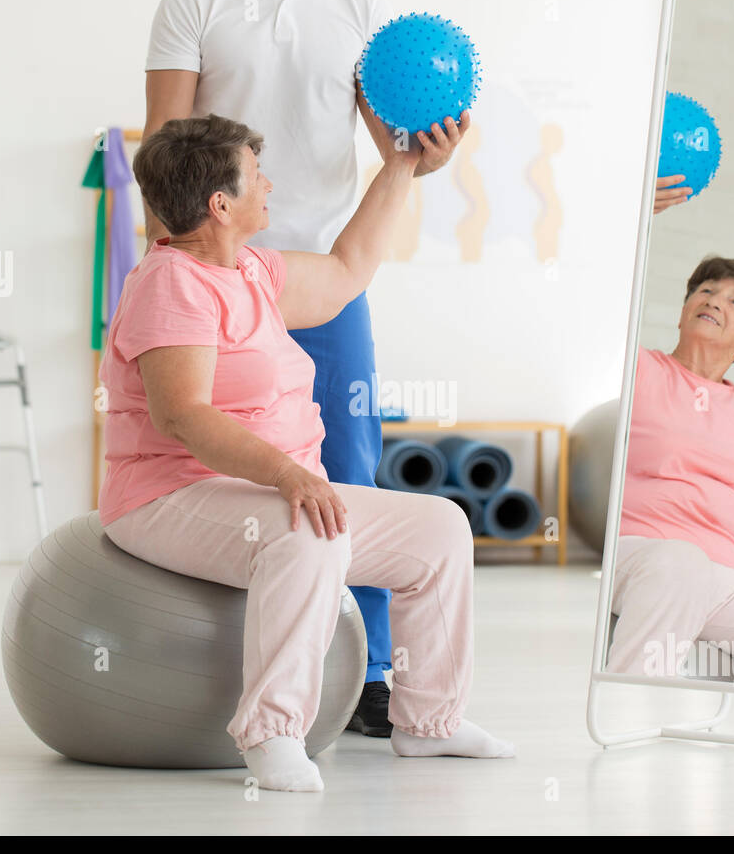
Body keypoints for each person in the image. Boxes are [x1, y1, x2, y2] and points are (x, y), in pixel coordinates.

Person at [98, 115, 512, 793]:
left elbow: (348, 269)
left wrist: (401, 166)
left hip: (267, 489)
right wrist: (289, 475)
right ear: (220, 203)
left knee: (441, 529)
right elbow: (182, 416)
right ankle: (272, 732)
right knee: (308, 531)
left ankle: (428, 723)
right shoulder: (171, 283)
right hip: (169, 496)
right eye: (255, 174)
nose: (269, 184)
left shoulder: (251, 270)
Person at [141, 0, 470, 738]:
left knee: (349, 469)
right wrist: (184, 267)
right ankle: (250, 667)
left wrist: (426, 153)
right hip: (219, 265)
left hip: (319, 270)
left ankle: (371, 672)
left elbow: (396, 142)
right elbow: (162, 140)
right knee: (214, 464)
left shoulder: (359, 0)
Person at [605, 256, 734, 679]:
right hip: (649, 553)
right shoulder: (639, 368)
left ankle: (691, 659)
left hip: (733, 575)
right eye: (706, 291)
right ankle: (627, 696)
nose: (715, 301)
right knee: (682, 565)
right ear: (683, 311)